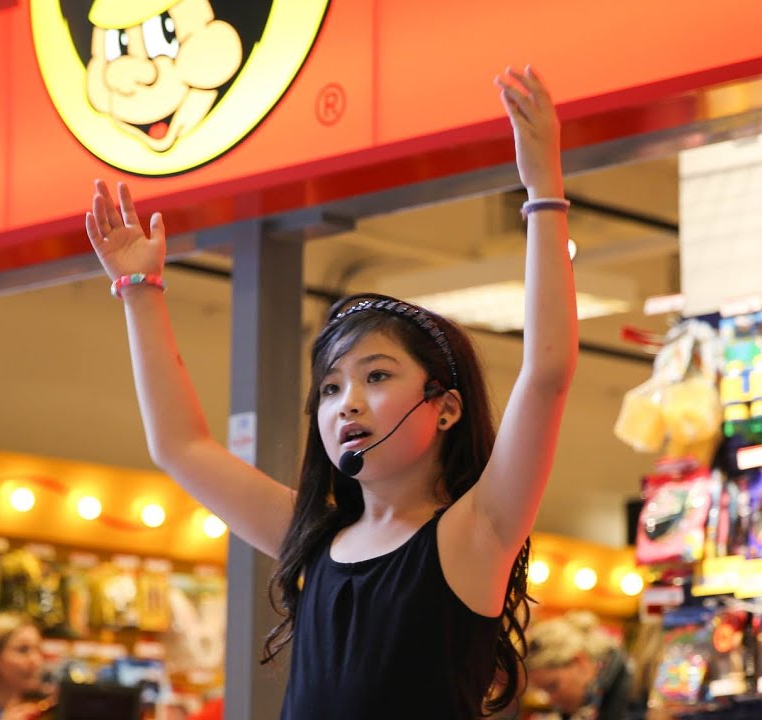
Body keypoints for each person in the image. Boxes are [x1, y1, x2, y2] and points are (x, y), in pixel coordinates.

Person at [84, 64, 577, 719]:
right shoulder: (312, 538)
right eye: (331, 387)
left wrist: (543, 190)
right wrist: (138, 293)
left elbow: (545, 374)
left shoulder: (475, 533)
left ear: (447, 406)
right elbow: (181, 445)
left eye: (376, 376)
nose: (346, 402)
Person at [523, 611, 642, 720]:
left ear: (580, 663)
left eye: (553, 686)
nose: (551, 699)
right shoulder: (597, 700)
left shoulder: (634, 694)